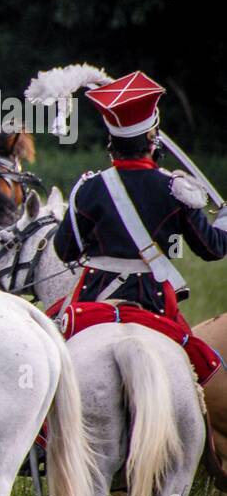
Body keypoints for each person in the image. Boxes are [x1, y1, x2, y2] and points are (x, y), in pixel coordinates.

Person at [54, 71, 227, 334]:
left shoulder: (87, 188)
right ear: (151, 138)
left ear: (111, 141)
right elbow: (212, 248)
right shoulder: (178, 189)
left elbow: (66, 251)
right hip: (153, 301)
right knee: (196, 367)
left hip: (93, 297)